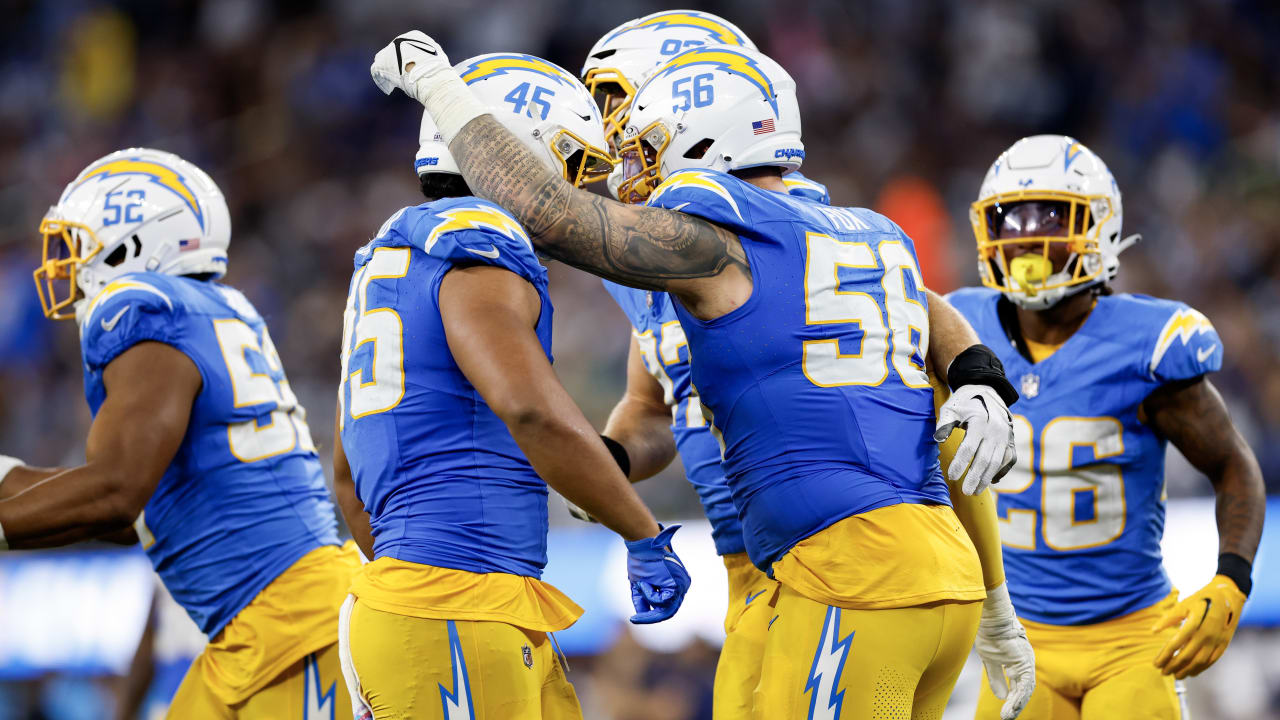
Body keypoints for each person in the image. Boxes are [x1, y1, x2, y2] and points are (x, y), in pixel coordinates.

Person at [371, 35, 1035, 720]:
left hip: (846, 568)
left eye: (640, 130)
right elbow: (652, 408)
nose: (622, 151)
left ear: (700, 133)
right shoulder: (864, 231)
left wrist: (442, 91)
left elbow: (545, 212)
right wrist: (602, 464)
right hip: (882, 566)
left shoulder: (714, 235)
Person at [331, 54, 691, 720]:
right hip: (456, 607)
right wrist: (640, 532)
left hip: (444, 600)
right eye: (571, 167)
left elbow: (348, 483)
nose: (573, 197)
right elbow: (529, 410)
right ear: (514, 147)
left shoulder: (393, 255)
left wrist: (417, 585)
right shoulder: (480, 235)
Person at [0, 148, 360, 718]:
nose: (65, 266)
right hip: (268, 625)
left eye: (79, 243)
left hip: (290, 630)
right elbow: (141, 511)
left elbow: (114, 494)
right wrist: (13, 481)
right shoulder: (214, 308)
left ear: (131, 242)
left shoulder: (143, 309)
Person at [948, 135, 1266, 719]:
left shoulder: (1147, 344)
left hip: (1131, 639)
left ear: (1100, 227)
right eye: (1008, 218)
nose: (1026, 235)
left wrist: (1232, 582)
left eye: (1048, 214)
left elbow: (1233, 464)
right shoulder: (958, 328)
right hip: (1017, 640)